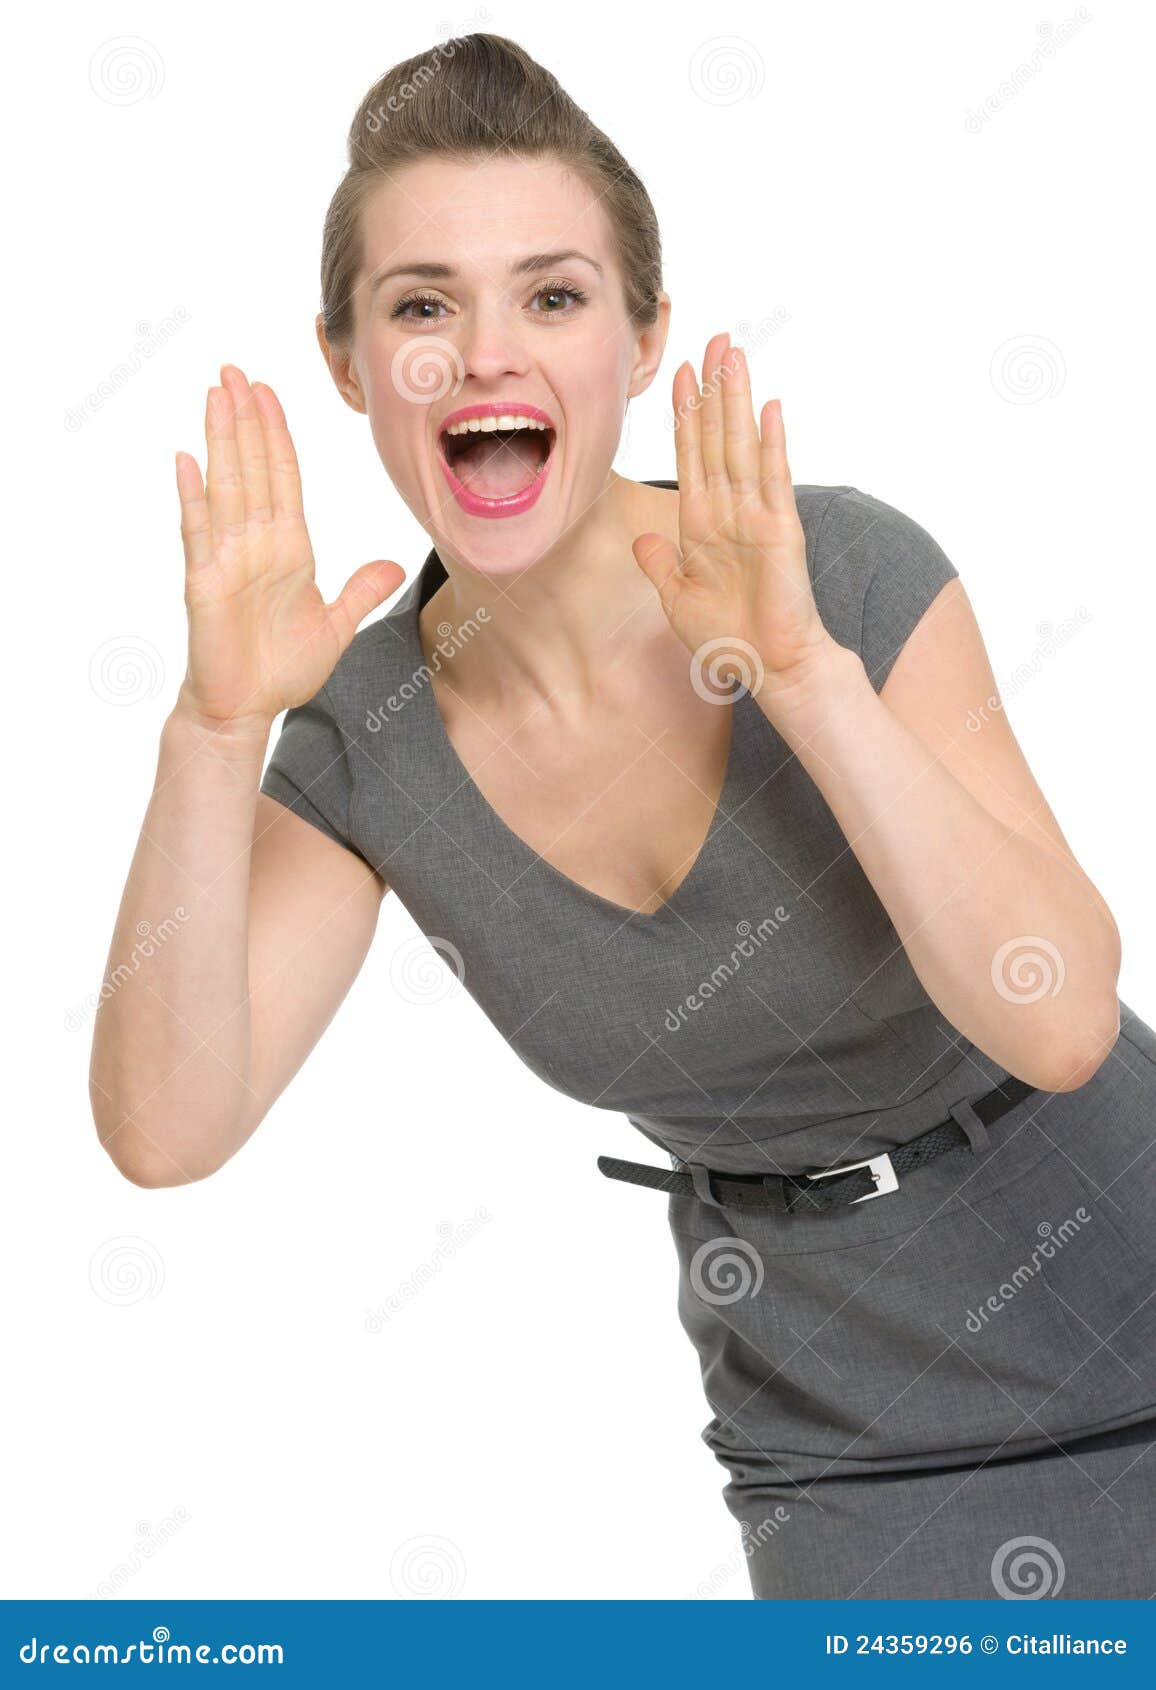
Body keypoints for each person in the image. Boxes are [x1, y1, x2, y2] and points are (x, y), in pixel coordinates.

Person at [89, 33, 1156, 1600]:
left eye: (554, 296)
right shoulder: (363, 740)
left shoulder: (836, 571)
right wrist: (213, 726)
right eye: (422, 306)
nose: (487, 355)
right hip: (837, 1438)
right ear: (350, 363)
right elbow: (168, 1128)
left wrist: (803, 676)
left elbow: (1057, 1022)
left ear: (643, 339)